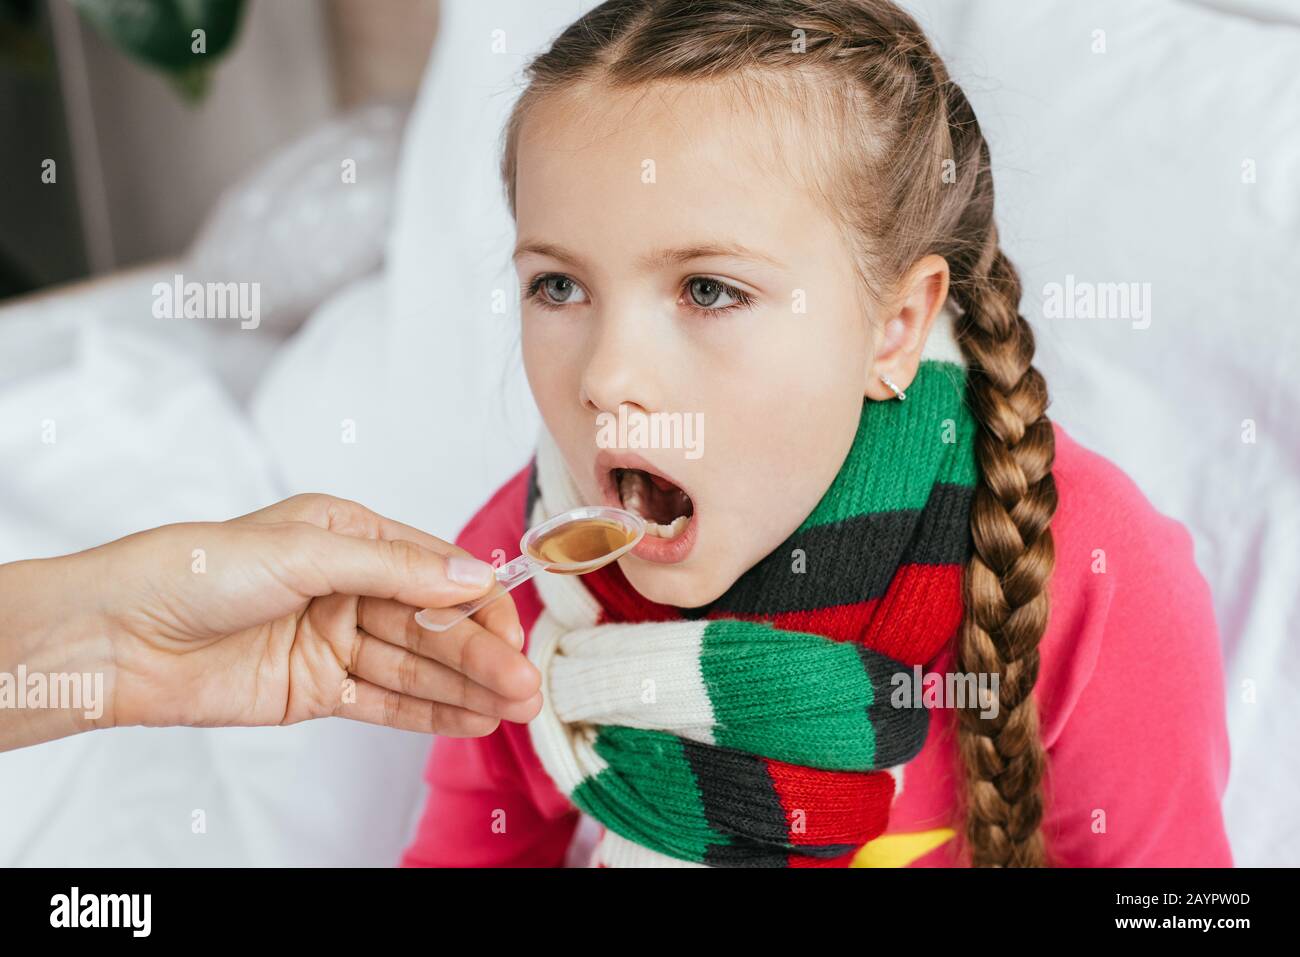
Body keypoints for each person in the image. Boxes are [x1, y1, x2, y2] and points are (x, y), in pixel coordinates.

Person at [400, 0, 1232, 868]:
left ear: (895, 326)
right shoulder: (516, 574)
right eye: (559, 287)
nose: (606, 378)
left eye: (709, 290)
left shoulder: (1092, 568)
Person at [0, 493, 541, 753]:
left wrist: (118, 644)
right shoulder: (502, 528)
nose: (603, 380)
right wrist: (116, 640)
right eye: (557, 288)